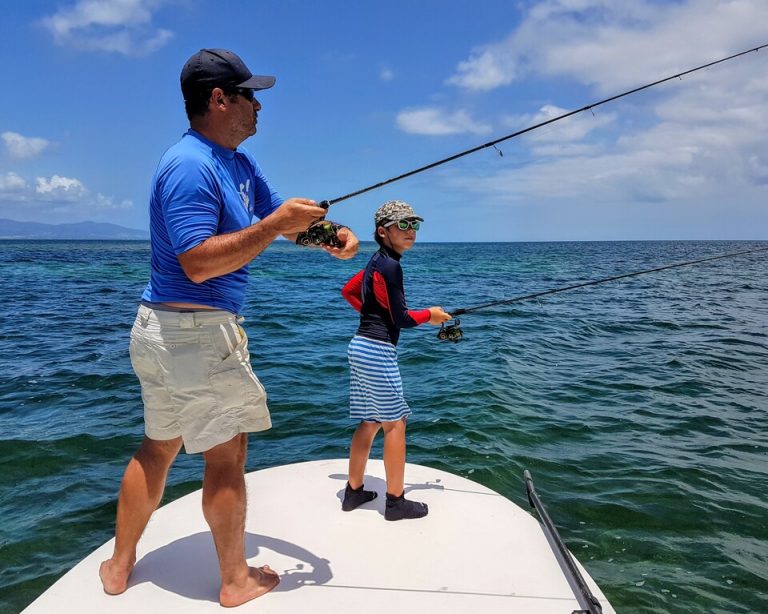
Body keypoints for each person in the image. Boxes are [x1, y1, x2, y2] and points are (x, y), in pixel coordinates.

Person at [98, 48, 358, 607]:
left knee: (159, 447)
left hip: (165, 332)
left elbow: (277, 222)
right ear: (219, 99)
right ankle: (235, 581)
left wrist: (326, 237)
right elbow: (198, 260)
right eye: (249, 94)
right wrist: (273, 225)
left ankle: (119, 568)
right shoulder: (190, 166)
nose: (258, 106)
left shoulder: (237, 163)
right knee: (226, 454)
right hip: (194, 335)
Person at [340, 200, 451, 521]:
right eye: (402, 225)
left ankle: (354, 491)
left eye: (414, 225)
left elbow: (349, 291)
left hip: (360, 346)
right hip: (376, 350)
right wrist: (430, 315)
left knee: (371, 420)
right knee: (396, 423)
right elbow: (401, 318)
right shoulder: (390, 265)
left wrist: (372, 315)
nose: (410, 231)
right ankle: (396, 501)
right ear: (382, 231)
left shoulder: (376, 262)